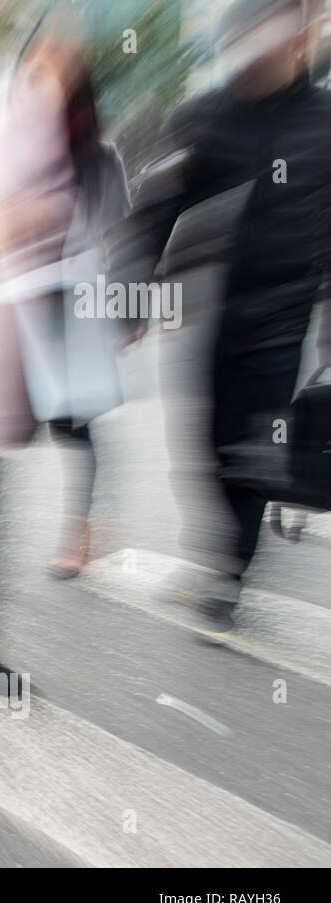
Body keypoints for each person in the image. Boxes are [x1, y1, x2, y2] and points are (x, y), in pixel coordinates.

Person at [114, 0, 331, 634]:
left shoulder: (324, 124)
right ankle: (224, 544)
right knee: (204, 448)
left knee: (256, 449)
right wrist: (134, 297)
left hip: (285, 321)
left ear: (298, 44)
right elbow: (157, 212)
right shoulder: (207, 117)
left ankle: (228, 571)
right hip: (217, 317)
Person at [0, 24, 131, 660]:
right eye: (33, 65)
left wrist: (114, 307)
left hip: (59, 316)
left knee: (73, 428)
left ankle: (81, 528)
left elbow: (112, 229)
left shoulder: (92, 155)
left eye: (56, 70)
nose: (39, 78)